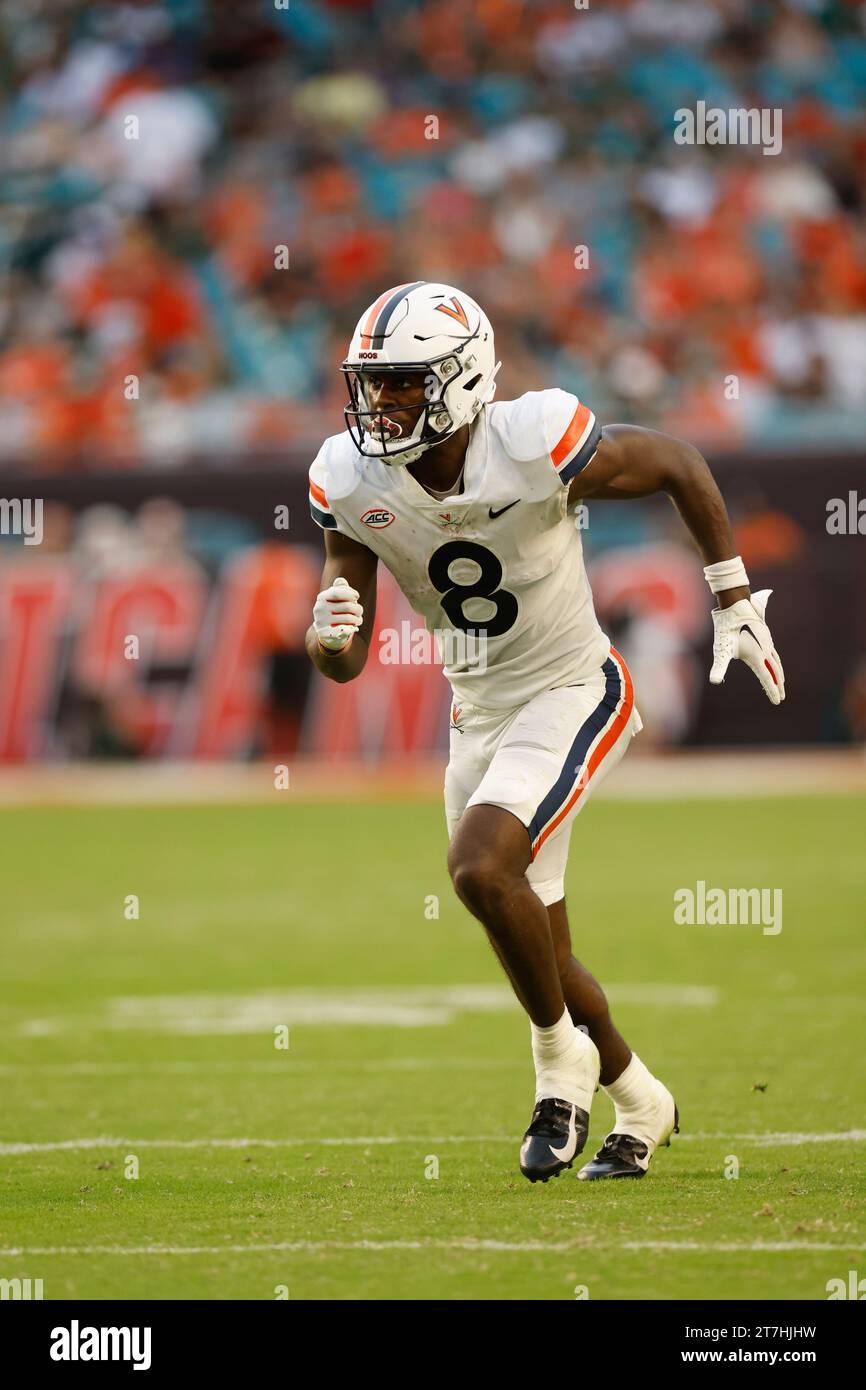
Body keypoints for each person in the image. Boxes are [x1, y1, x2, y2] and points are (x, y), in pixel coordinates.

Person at [305, 282, 785, 1182]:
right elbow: (346, 654)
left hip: (573, 686)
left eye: (404, 384)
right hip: (477, 713)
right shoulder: (348, 475)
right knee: (540, 945)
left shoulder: (532, 438)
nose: (382, 405)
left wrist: (731, 596)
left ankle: (556, 1068)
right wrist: (326, 637)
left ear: (463, 378)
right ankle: (641, 1099)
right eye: (373, 385)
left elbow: (677, 460)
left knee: (478, 868)